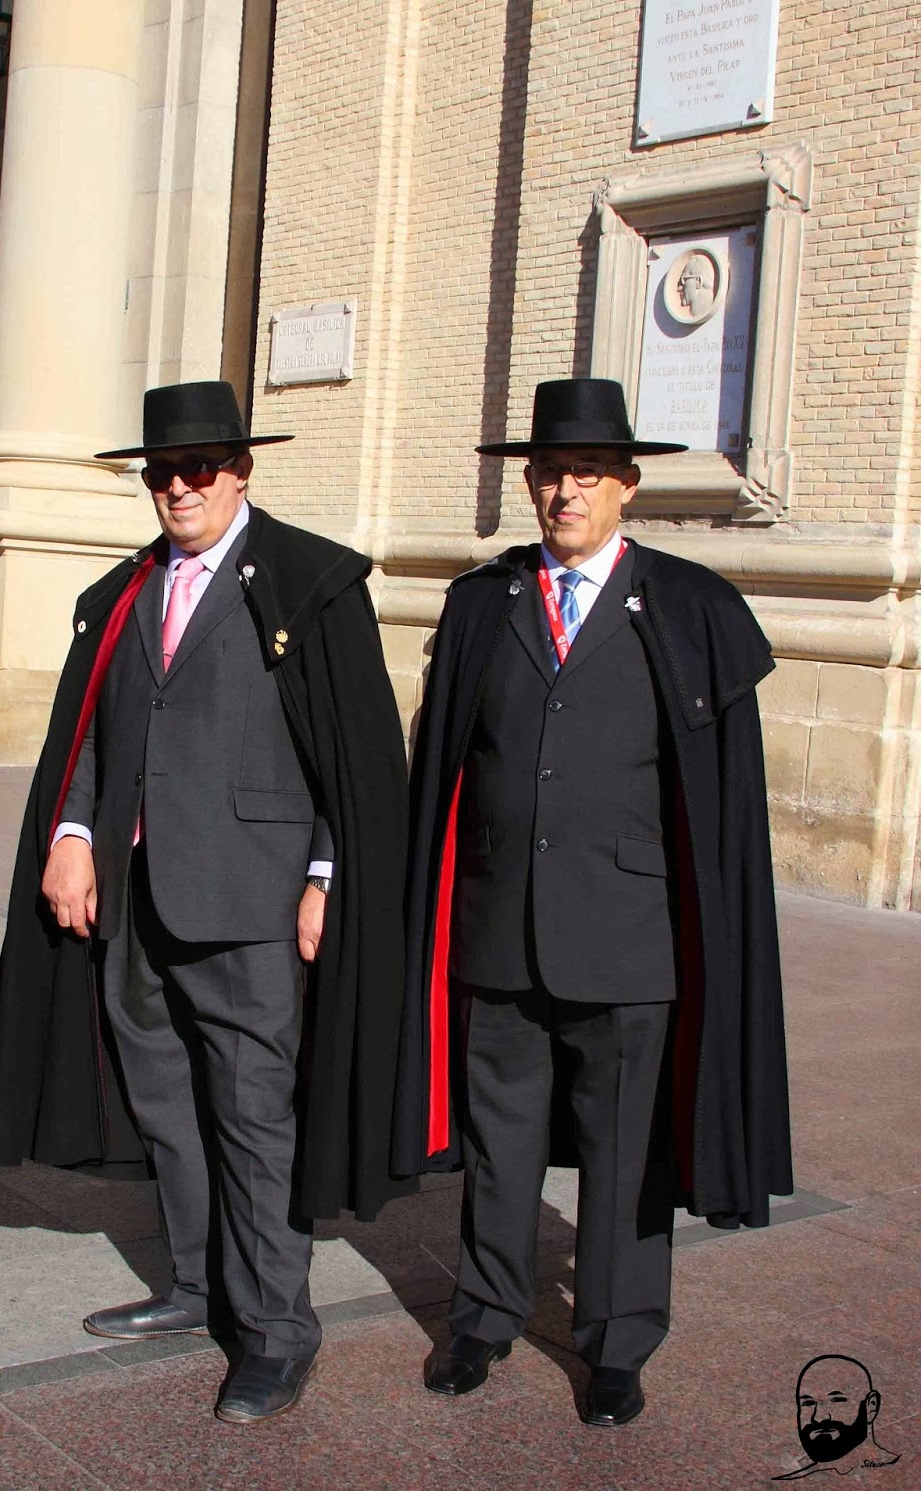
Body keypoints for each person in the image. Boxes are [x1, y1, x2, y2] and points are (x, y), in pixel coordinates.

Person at [0, 380, 412, 1424]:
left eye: (201, 468)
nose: (180, 486)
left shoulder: (311, 581)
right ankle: (196, 1283)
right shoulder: (127, 588)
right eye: (162, 472)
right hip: (137, 898)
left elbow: (353, 750)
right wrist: (73, 833)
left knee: (253, 1116)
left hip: (252, 899)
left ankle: (276, 1329)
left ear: (240, 470)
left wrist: (325, 876)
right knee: (167, 1107)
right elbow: (91, 729)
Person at [390, 378, 792, 1428]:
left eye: (584, 475)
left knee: (626, 1151)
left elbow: (720, 799)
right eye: (546, 476)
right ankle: (481, 1317)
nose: (562, 492)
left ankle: (617, 1342)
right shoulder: (485, 601)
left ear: (624, 486)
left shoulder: (690, 608)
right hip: (497, 925)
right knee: (499, 1140)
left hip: (629, 934)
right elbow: (442, 759)